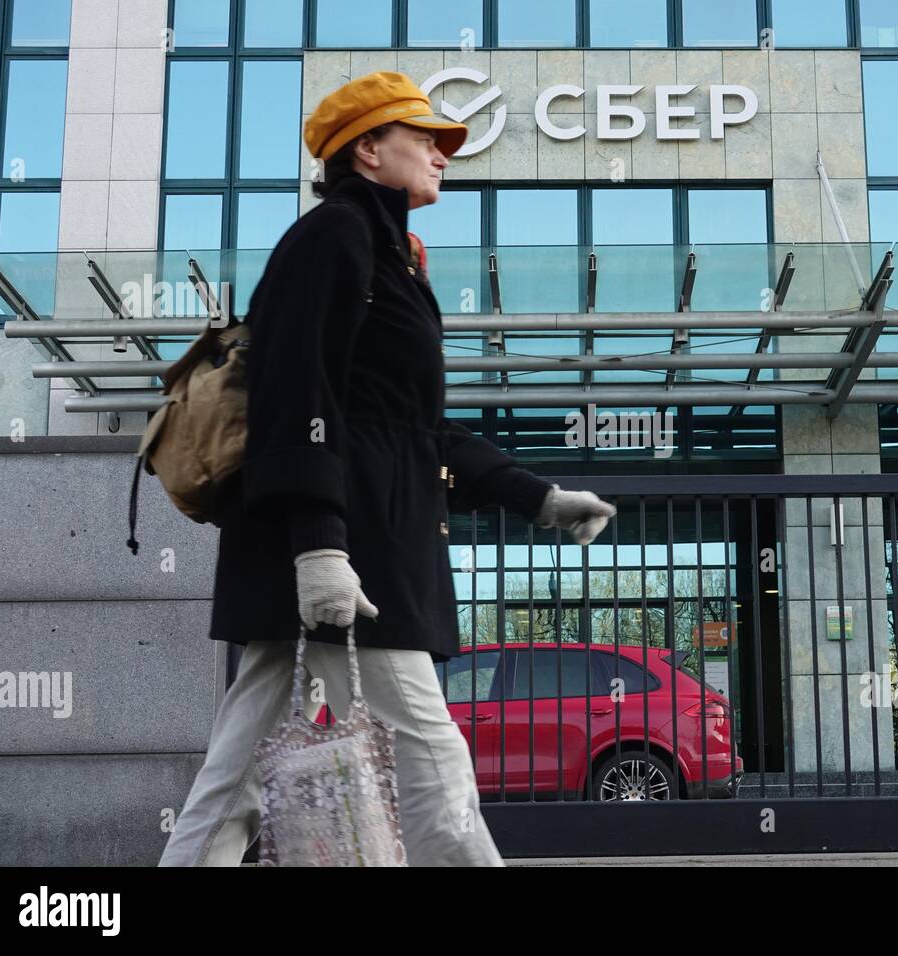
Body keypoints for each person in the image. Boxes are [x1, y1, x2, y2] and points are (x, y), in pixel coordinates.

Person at [159, 72, 616, 867]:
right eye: (425, 137)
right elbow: (294, 391)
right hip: (350, 559)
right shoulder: (335, 235)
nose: (443, 153)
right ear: (367, 149)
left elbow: (413, 429)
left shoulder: (390, 255)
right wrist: (320, 549)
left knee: (233, 785)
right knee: (433, 770)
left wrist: (537, 498)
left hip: (340, 554)